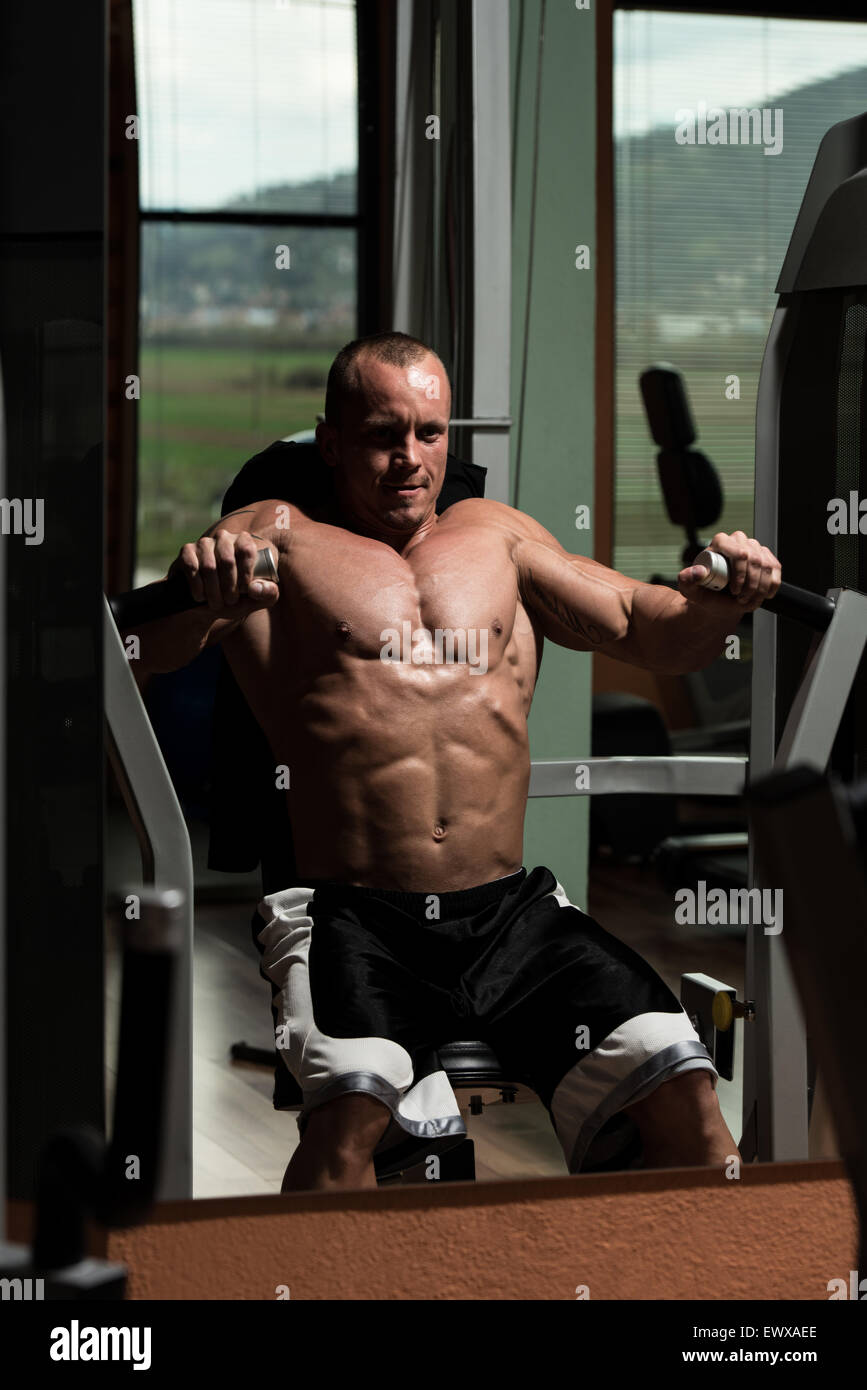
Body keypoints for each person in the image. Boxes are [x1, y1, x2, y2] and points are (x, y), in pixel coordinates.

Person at [134, 331, 781, 1191]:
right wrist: (198, 587)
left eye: (430, 433)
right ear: (329, 440)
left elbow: (644, 624)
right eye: (382, 434)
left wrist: (720, 600)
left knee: (687, 1094)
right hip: (354, 918)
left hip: (510, 915)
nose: (410, 458)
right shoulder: (274, 540)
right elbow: (139, 649)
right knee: (345, 1133)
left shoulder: (499, 538)